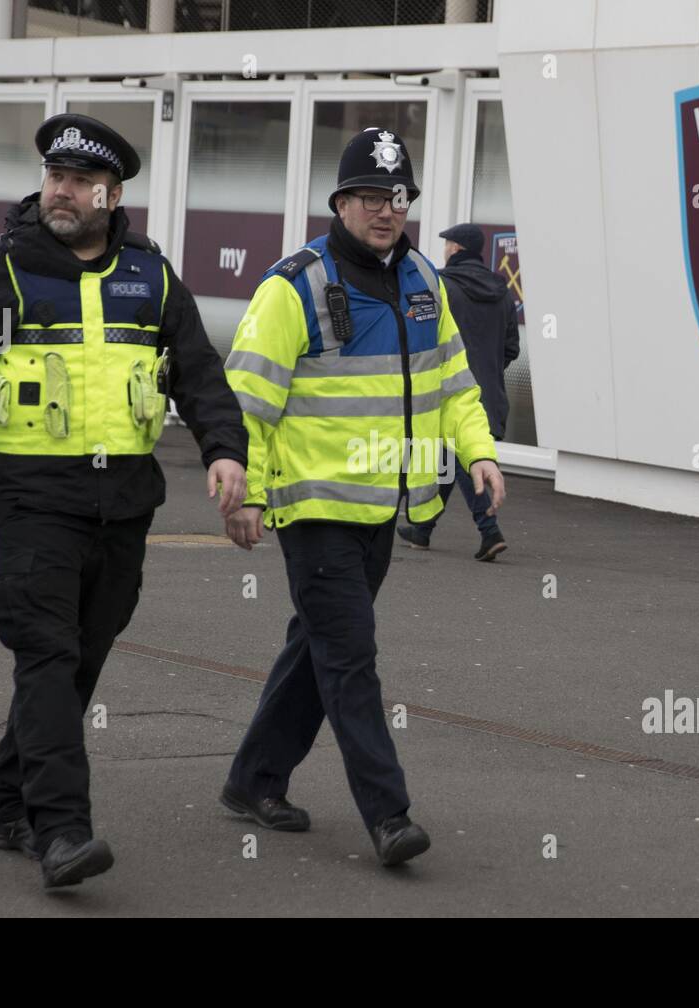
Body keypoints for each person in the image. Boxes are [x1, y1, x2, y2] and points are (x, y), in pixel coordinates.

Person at [0, 112, 247, 888]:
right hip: (34, 505)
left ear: (111, 193)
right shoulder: (6, 272)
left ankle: (9, 800)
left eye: (79, 181)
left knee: (77, 661)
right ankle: (62, 832)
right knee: (48, 654)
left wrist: (226, 454)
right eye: (54, 177)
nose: (61, 191)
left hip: (124, 508)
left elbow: (199, 376)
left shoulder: (150, 278)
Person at [221, 127, 505, 867]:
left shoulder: (421, 280)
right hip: (313, 508)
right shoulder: (296, 284)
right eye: (371, 196)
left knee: (315, 649)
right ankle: (389, 815)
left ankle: (253, 780)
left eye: (397, 196)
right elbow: (245, 399)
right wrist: (243, 488)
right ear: (341, 201)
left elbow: (455, 384)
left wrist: (477, 452)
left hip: (384, 507)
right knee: (350, 657)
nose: (386, 210)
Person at [396, 223, 519, 560]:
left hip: (448, 387)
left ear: (455, 248)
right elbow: (511, 348)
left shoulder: (441, 286)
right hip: (487, 389)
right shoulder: (502, 291)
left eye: (447, 243)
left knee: (463, 459)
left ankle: (489, 530)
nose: (445, 249)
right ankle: (422, 529)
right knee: (448, 460)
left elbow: (422, 336)